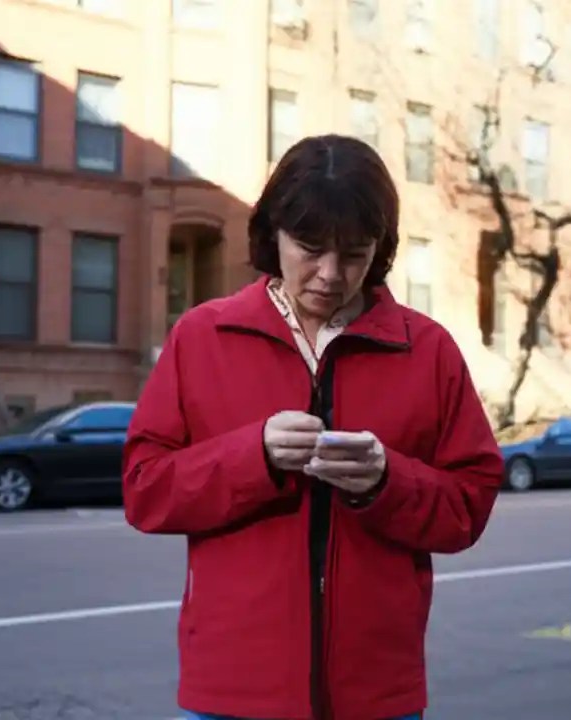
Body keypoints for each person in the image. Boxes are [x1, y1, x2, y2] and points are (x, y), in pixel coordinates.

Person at [122, 134, 503, 720]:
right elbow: (145, 490)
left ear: (380, 249)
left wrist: (385, 481)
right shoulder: (202, 337)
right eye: (310, 248)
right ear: (273, 234)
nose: (330, 274)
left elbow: (468, 506)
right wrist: (255, 456)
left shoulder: (427, 350)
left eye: (353, 254)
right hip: (232, 690)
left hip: (377, 691)